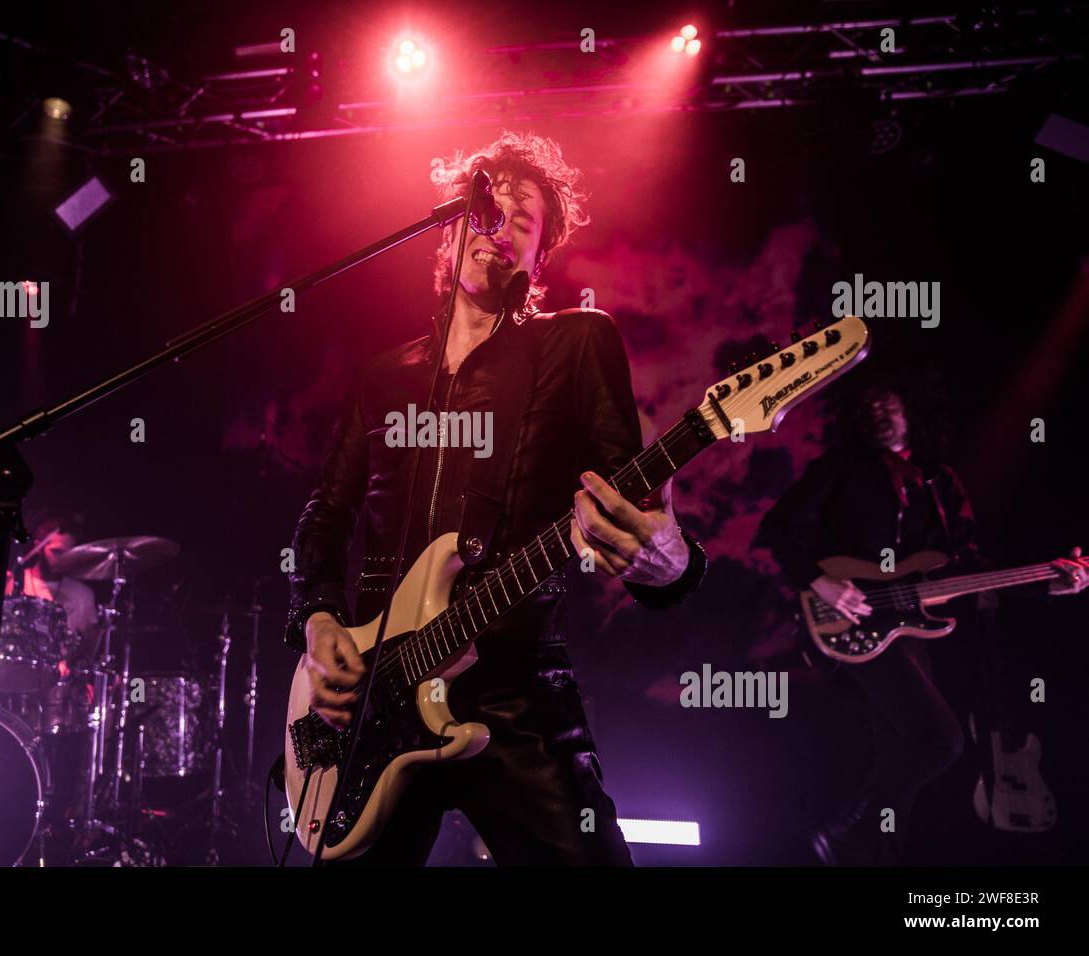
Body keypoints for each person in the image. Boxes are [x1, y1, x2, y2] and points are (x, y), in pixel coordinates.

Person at [285, 131, 707, 865]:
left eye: (523, 220)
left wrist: (673, 563)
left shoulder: (576, 344)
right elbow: (326, 514)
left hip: (516, 688)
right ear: (446, 234)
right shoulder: (384, 377)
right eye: (486, 210)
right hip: (375, 691)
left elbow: (630, 505)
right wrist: (321, 621)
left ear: (539, 256)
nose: (500, 227)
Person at [757, 385, 1086, 864]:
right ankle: (844, 828)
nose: (878, 410)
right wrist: (819, 581)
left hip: (909, 627)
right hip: (851, 619)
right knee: (940, 739)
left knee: (900, 751)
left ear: (910, 412)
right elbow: (779, 526)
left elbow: (968, 566)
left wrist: (1044, 583)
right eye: (867, 404)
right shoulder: (840, 469)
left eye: (888, 401)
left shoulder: (938, 481)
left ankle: (865, 850)